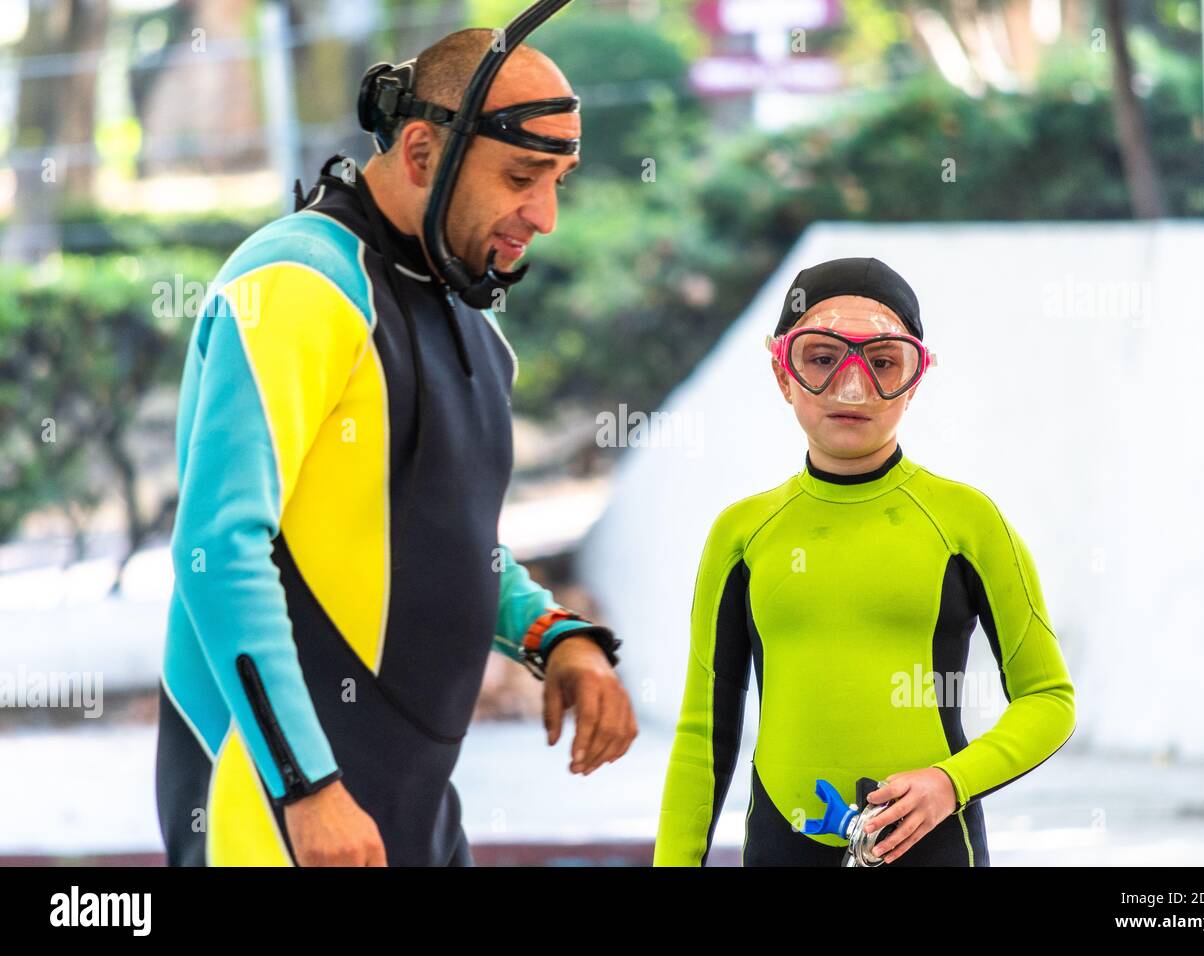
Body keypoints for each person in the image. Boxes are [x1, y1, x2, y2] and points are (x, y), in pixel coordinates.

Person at [156, 26, 636, 867]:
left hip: (410, 806)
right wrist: (305, 791)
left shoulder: (468, 318)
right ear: (420, 150)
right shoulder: (298, 283)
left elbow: (430, 545)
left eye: (558, 181)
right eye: (523, 176)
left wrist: (554, 635)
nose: (546, 215)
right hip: (275, 812)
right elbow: (218, 546)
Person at [653, 257, 1076, 866]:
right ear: (782, 373)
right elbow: (702, 738)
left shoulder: (967, 522)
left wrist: (948, 783)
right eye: (822, 359)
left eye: (882, 363)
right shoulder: (742, 534)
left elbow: (1049, 700)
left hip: (934, 846)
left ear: (914, 380)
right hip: (781, 847)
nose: (852, 388)